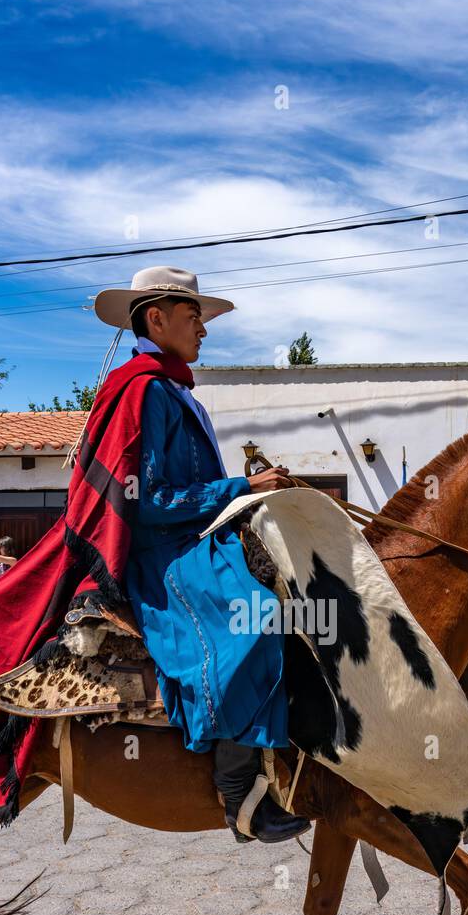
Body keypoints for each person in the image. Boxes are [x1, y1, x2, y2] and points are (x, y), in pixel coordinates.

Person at [93, 266, 311, 844]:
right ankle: (238, 789)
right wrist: (239, 489)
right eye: (195, 319)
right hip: (164, 555)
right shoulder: (145, 391)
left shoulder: (169, 387)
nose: (204, 333)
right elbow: (149, 500)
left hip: (192, 538)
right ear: (157, 319)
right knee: (260, 618)